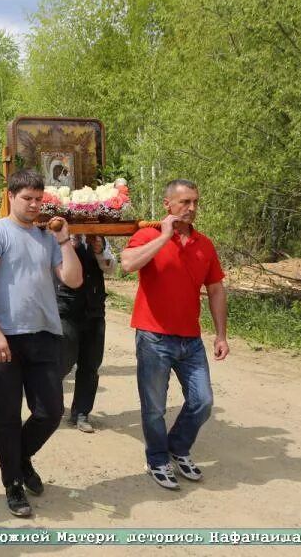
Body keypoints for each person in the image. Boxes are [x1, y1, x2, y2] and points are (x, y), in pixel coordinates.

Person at [0, 169, 83, 518]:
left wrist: (65, 240)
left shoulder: (48, 239)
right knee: (6, 416)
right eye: (26, 198)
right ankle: (13, 483)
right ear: (11, 196)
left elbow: (73, 281)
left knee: (50, 411)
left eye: (38, 199)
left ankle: (18, 458)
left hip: (44, 334)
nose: (34, 205)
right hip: (3, 337)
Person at [120, 179, 228, 490]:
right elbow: (127, 264)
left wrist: (221, 334)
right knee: (154, 406)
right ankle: (156, 459)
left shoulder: (204, 244)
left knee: (203, 401)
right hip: (153, 337)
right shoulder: (148, 235)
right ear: (168, 205)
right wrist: (164, 236)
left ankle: (178, 448)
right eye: (185, 202)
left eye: (195, 202)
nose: (192, 208)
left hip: (190, 338)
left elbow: (217, 289)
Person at [57, 235, 116, 434]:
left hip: (95, 310)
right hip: (66, 309)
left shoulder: (98, 235)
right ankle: (51, 406)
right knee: (62, 361)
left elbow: (111, 268)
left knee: (91, 365)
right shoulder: (56, 234)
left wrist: (100, 251)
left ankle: (81, 413)